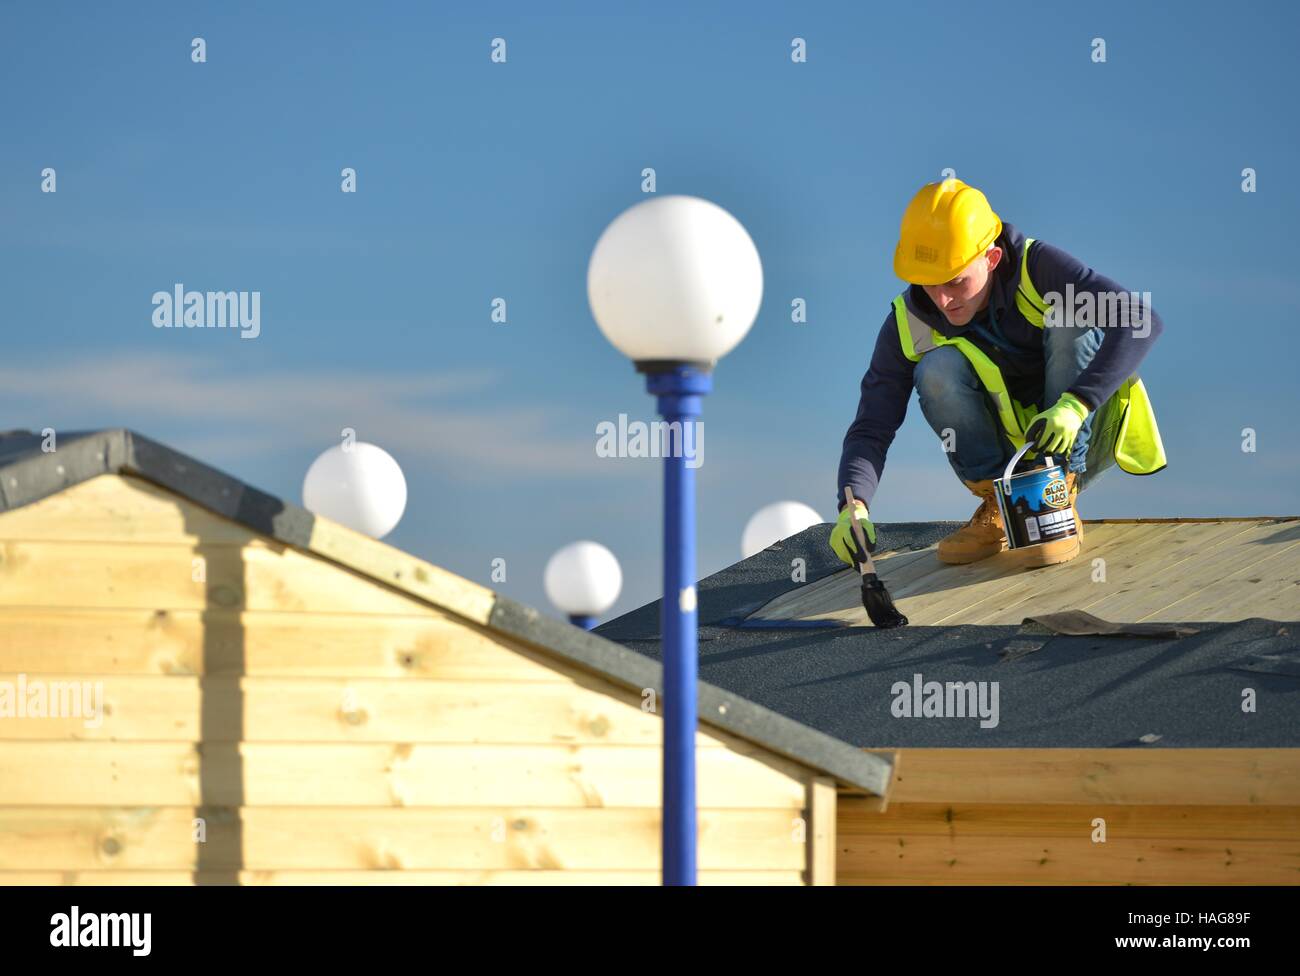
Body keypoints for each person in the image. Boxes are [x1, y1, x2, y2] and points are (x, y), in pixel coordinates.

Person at [830, 179, 1166, 569]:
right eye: (929, 283)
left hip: (1082, 428)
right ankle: (999, 503)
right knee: (936, 368)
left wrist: (1076, 405)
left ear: (990, 259)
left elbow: (1141, 319)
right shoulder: (908, 321)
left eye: (955, 281)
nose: (942, 299)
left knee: (1069, 317)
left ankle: (1055, 491)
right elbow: (873, 425)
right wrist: (853, 504)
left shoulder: (1037, 267)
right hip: (1007, 458)